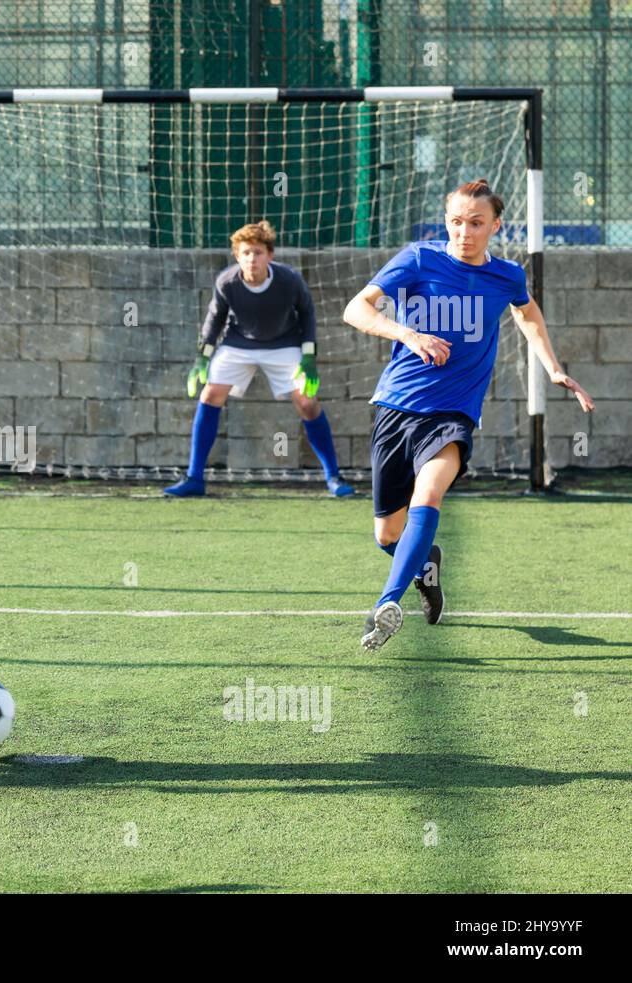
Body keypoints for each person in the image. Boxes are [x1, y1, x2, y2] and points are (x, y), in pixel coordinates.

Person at [342, 179, 594, 651]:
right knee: (386, 533)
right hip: (397, 408)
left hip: (452, 415)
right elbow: (356, 309)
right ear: (446, 223)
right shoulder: (418, 258)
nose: (464, 232)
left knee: (430, 492)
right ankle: (425, 564)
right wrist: (409, 336)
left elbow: (527, 315)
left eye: (476, 223)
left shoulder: (506, 276)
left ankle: (386, 603)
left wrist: (555, 370)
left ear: (495, 226)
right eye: (456, 222)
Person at [165, 220, 352, 498]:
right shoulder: (227, 282)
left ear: (270, 255)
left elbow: (308, 314)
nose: (252, 259)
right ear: (237, 256)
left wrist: (309, 358)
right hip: (238, 344)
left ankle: (333, 477)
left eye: (258, 252)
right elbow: (213, 321)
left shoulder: (289, 280)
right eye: (246, 253)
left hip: (284, 344)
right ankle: (194, 478)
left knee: (307, 402)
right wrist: (202, 359)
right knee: (210, 394)